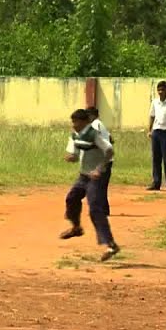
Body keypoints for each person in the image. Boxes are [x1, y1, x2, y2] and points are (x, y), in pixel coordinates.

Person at [62, 108, 120, 261]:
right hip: (84, 175)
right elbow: (75, 155)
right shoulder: (76, 135)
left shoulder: (94, 134)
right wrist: (71, 157)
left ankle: (111, 244)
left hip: (97, 175)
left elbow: (109, 151)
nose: (74, 125)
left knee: (94, 207)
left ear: (85, 122)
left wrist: (99, 169)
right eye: (73, 122)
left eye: (76, 122)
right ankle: (76, 227)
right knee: (71, 198)